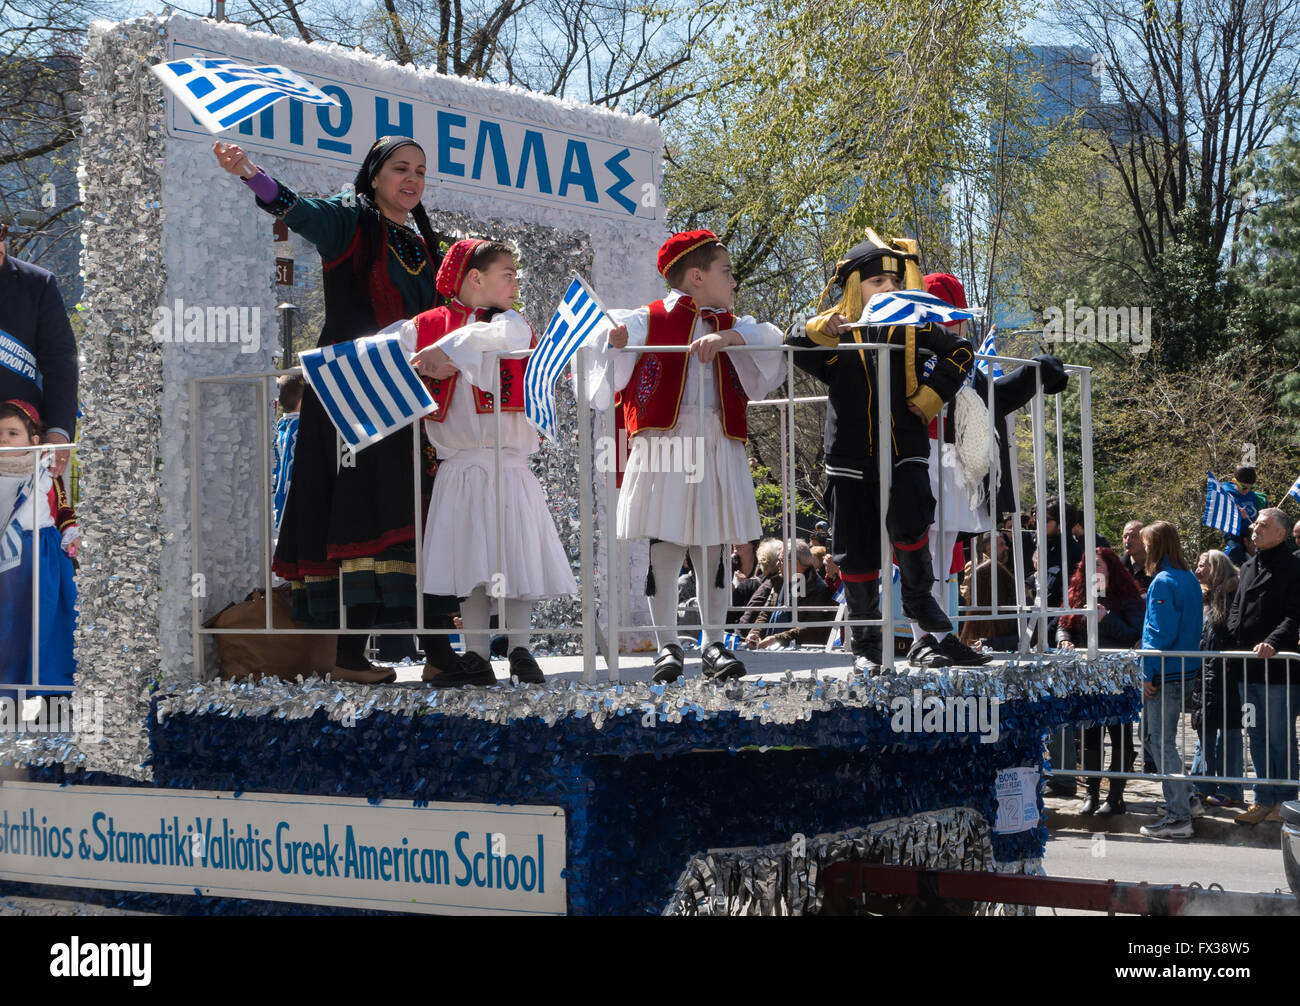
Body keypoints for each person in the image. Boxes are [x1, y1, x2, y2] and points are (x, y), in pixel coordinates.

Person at [214, 136, 444, 685]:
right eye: (399, 169)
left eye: (420, 171)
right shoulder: (350, 218)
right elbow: (297, 210)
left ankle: (430, 650)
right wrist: (251, 174)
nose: (411, 180)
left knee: (405, 513)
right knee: (356, 514)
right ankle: (347, 657)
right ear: (374, 175)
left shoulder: (422, 239)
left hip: (406, 394)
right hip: (351, 390)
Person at [592, 230, 784, 683]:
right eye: (726, 272)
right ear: (696, 277)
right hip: (668, 441)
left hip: (717, 438)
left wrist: (731, 338)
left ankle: (714, 643)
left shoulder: (733, 322)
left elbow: (771, 339)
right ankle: (668, 647)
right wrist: (615, 340)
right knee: (665, 544)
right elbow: (615, 347)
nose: (733, 281)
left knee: (713, 544)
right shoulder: (649, 317)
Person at [786, 230, 973, 674]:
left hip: (904, 447)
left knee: (912, 524)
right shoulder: (836, 331)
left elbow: (962, 350)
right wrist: (822, 326)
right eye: (875, 283)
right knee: (856, 549)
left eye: (893, 282)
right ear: (854, 288)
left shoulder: (914, 326)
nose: (887, 290)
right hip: (849, 459)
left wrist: (931, 396)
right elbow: (792, 341)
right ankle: (866, 643)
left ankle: (919, 601)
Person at [400, 239, 577, 686]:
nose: (516, 282)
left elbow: (498, 337)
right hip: (459, 464)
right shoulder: (422, 326)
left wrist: (447, 348)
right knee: (470, 564)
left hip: (510, 463)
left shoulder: (512, 324)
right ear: (475, 279)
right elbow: (388, 360)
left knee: (516, 558)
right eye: (508, 274)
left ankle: (521, 648)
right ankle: (476, 654)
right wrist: (419, 362)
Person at [917, 272, 1068, 665]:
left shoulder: (960, 357)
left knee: (943, 555)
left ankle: (938, 635)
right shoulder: (911, 351)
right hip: (920, 457)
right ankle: (923, 638)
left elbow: (991, 399)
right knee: (919, 553)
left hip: (951, 461)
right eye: (955, 315)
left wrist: (1035, 374)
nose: (962, 323)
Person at [1225, 507, 1300, 825]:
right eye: (1255, 523)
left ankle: (1286, 802)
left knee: (1280, 737)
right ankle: (1262, 798)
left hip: (1279, 671)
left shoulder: (1294, 566)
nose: (1254, 527)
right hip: (1248, 669)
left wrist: (1272, 641)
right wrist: (1232, 635)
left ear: (1281, 534)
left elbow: (1295, 614)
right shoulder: (1249, 564)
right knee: (1255, 735)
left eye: (1263, 525)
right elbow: (1237, 608)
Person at [1056, 548, 1144, 814]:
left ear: (1111, 568)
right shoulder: (1077, 594)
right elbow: (1063, 623)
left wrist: (1107, 619)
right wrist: (1064, 639)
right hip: (1088, 676)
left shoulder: (1127, 596)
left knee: (1119, 737)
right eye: (1088, 566)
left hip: (1118, 676)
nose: (1094, 571)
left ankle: (1115, 796)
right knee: (1090, 737)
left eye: (1099, 565)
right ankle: (1091, 794)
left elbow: (1136, 635)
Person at [0, 400, 78, 699]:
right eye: (0, 435)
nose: (4, 440)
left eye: (12, 433)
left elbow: (62, 510)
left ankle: (45, 685)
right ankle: (8, 686)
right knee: (9, 621)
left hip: (40, 557)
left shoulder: (45, 473)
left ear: (34, 440)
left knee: (43, 619)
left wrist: (70, 533)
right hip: (7, 560)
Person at [1136, 521, 1203, 840]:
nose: (1144, 548)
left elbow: (1158, 634)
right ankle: (1187, 799)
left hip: (1165, 672)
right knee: (1157, 740)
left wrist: (1147, 673)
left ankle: (1179, 816)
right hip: (1183, 669)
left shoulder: (1163, 581)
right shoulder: (1188, 576)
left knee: (1159, 742)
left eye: (1147, 544)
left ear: (1158, 545)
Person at [0, 222, 77, 481]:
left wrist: (59, 431)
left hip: (27, 443)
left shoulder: (39, 284)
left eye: (1, 233)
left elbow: (60, 363)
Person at [1189, 550, 1244, 808]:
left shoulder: (1234, 596)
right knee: (1205, 732)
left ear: (1218, 569)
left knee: (1230, 734)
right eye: (1198, 566)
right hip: (1207, 674)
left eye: (1204, 566)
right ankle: (1200, 785)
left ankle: (1231, 788)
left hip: (1230, 675)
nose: (1198, 571)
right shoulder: (1203, 598)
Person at [271, 373, 304, 537]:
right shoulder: (299, 427)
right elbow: (288, 471)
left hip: (278, 508)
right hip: (290, 511)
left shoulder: (281, 425)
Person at [1220, 466, 1266, 565]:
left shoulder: (1252, 495)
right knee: (1236, 549)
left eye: (1251, 488)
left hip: (1251, 531)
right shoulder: (1228, 495)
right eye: (1244, 487)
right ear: (1235, 482)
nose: (1247, 491)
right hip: (1234, 533)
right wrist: (1239, 516)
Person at [1120, 520, 1152, 594]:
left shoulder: (1158, 566)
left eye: (1133, 536)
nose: (1127, 541)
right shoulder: (1118, 568)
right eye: (1125, 536)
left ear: (1145, 539)